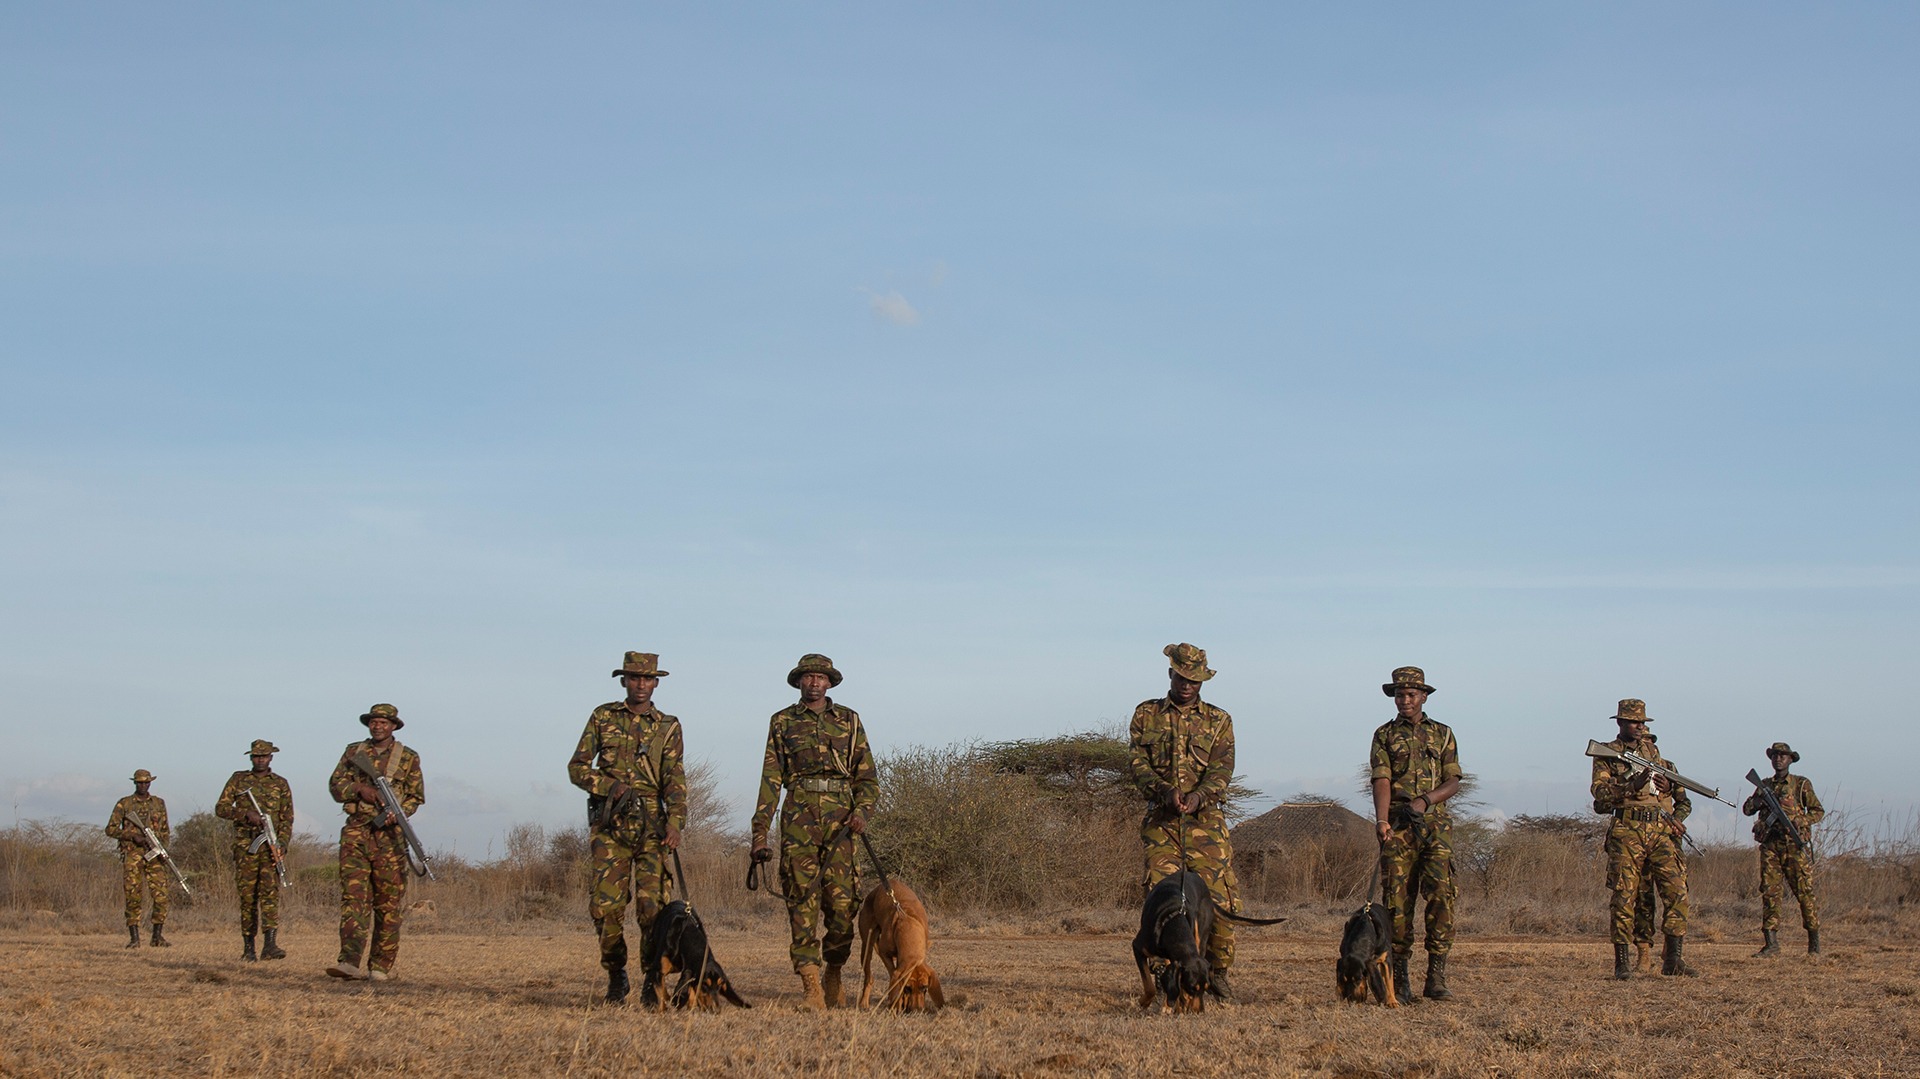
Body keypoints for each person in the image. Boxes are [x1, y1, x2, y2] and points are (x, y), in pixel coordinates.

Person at [750, 653, 878, 1010]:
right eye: (808, 677)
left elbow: (867, 779)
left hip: (841, 820)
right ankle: (811, 986)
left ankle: (833, 970)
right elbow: (770, 780)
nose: (814, 683)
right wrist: (760, 833)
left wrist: (862, 812)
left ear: (830, 683)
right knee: (801, 901)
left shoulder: (850, 721)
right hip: (798, 818)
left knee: (842, 905)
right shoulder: (782, 721)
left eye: (820, 677)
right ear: (799, 682)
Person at [568, 651, 688, 1004]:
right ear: (624, 681)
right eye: (634, 678)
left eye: (647, 679)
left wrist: (675, 823)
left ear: (655, 683)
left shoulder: (668, 725)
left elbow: (675, 781)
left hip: (652, 825)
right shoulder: (602, 716)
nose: (640, 684)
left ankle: (654, 980)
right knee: (605, 907)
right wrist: (608, 786)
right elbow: (576, 768)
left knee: (654, 909)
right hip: (610, 825)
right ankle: (616, 974)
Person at [1127, 642, 1242, 1003]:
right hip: (1162, 825)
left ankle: (1216, 973)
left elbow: (1223, 768)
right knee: (1161, 905)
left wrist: (1200, 796)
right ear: (1171, 674)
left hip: (1206, 825)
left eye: (1195, 680)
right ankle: (1165, 974)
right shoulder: (1146, 714)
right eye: (1182, 677)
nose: (1188, 685)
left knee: (1219, 903)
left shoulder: (1220, 720)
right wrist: (1163, 790)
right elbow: (1137, 763)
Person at [1369, 666, 1464, 1001]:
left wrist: (1426, 801)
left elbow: (1453, 781)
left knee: (1441, 897)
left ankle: (1436, 977)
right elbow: (1380, 778)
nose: (1404, 700)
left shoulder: (1443, 733)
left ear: (1423, 696)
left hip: (1435, 826)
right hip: (1397, 828)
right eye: (1399, 694)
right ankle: (1402, 978)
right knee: (1396, 903)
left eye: (1411, 694)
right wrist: (1382, 822)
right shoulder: (1383, 735)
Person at [1590, 698, 1693, 979]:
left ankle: (1673, 959)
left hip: (1660, 830)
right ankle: (1622, 963)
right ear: (1620, 723)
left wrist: (1667, 786)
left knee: (1677, 891)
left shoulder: (1653, 752)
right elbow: (1599, 795)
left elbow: (1670, 797)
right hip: (1628, 830)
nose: (1639, 726)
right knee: (1625, 897)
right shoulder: (1607, 754)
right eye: (1634, 722)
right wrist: (1628, 786)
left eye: (1642, 722)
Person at [326, 703, 425, 982]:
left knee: (388, 903)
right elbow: (336, 786)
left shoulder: (407, 757)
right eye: (374, 722)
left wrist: (399, 813)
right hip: (357, 833)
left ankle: (380, 966)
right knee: (354, 900)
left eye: (384, 722)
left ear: (394, 726)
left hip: (390, 839)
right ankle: (349, 962)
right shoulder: (354, 752)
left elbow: (416, 796)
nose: (378, 726)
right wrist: (360, 789)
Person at [215, 739, 295, 961]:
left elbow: (287, 818)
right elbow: (220, 808)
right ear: (251, 758)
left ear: (271, 757)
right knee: (248, 897)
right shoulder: (239, 779)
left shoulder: (281, 783)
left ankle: (270, 945)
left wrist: (283, 845)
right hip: (246, 847)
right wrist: (244, 814)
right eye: (256, 756)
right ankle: (248, 948)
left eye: (264, 756)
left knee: (270, 895)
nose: (260, 759)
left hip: (271, 847)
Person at [1742, 741, 1825, 956]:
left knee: (1804, 892)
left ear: (1790, 760)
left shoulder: (1800, 784)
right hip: (1770, 845)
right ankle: (1771, 943)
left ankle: (1814, 944)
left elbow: (1817, 811)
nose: (1778, 758)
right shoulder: (1764, 785)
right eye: (1775, 755)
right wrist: (1759, 799)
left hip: (1793, 846)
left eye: (1783, 756)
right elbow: (1747, 809)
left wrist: (1801, 820)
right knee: (1770, 892)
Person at [104, 769, 173, 948]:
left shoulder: (158, 803)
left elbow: (165, 830)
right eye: (140, 783)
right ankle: (134, 938)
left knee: (161, 896)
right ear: (135, 783)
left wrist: (162, 848)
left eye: (146, 782)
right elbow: (110, 829)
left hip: (155, 856)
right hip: (133, 855)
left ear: (150, 783)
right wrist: (131, 836)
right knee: (133, 896)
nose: (143, 785)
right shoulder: (124, 804)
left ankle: (157, 936)